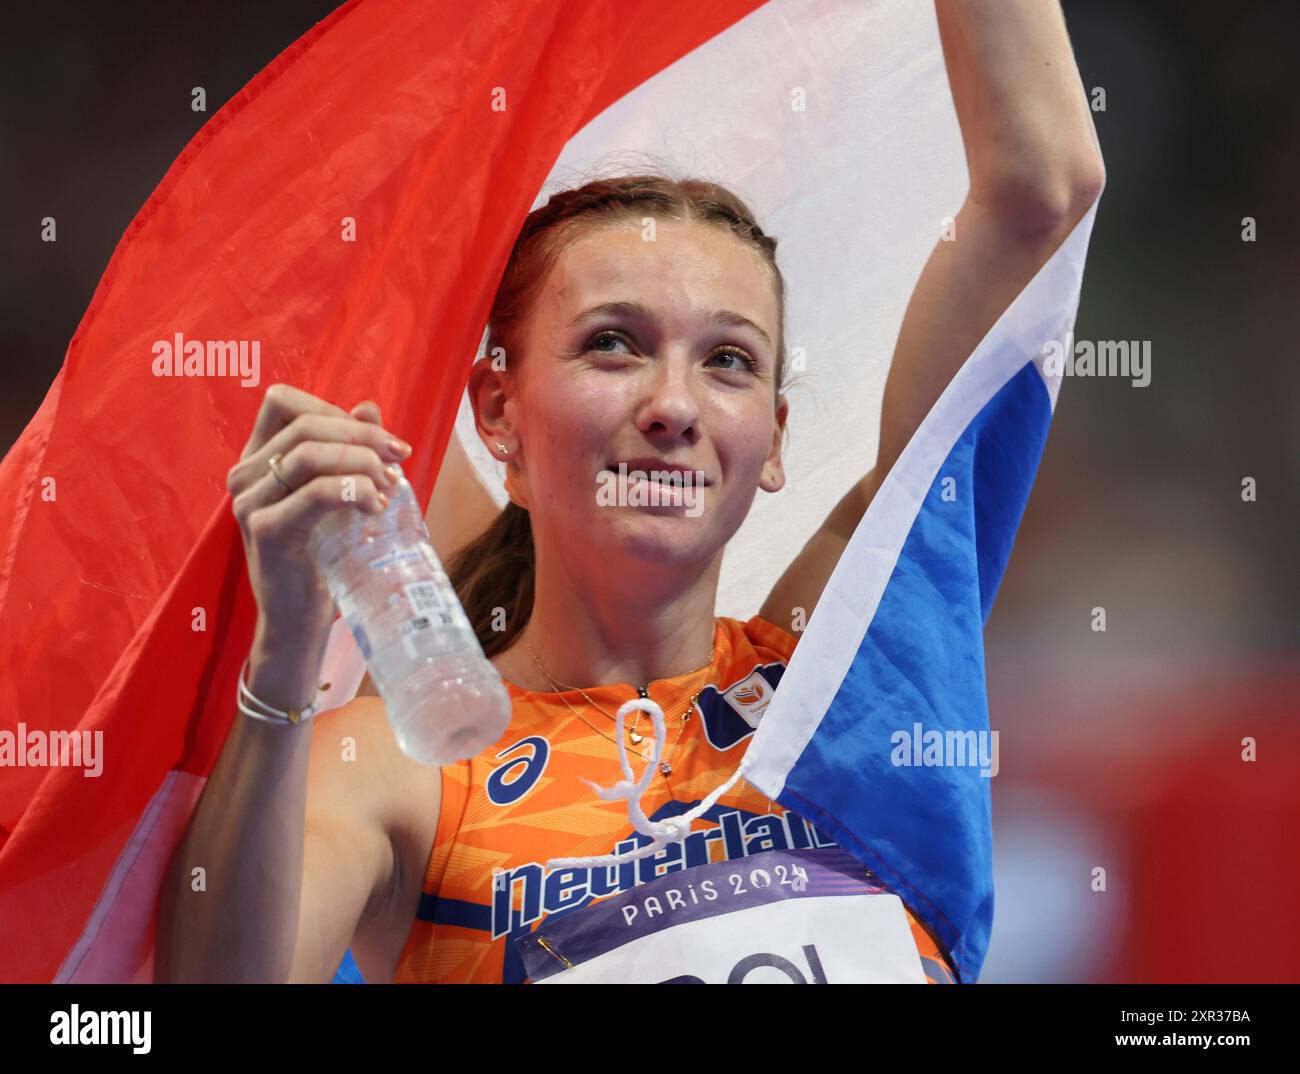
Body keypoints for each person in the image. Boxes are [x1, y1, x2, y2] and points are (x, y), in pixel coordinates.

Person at [154, 0, 1103, 984]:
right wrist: (284, 656)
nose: (673, 405)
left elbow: (1042, 191)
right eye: (613, 342)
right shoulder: (406, 765)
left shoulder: (836, 686)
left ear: (772, 441)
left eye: (728, 360)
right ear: (498, 412)